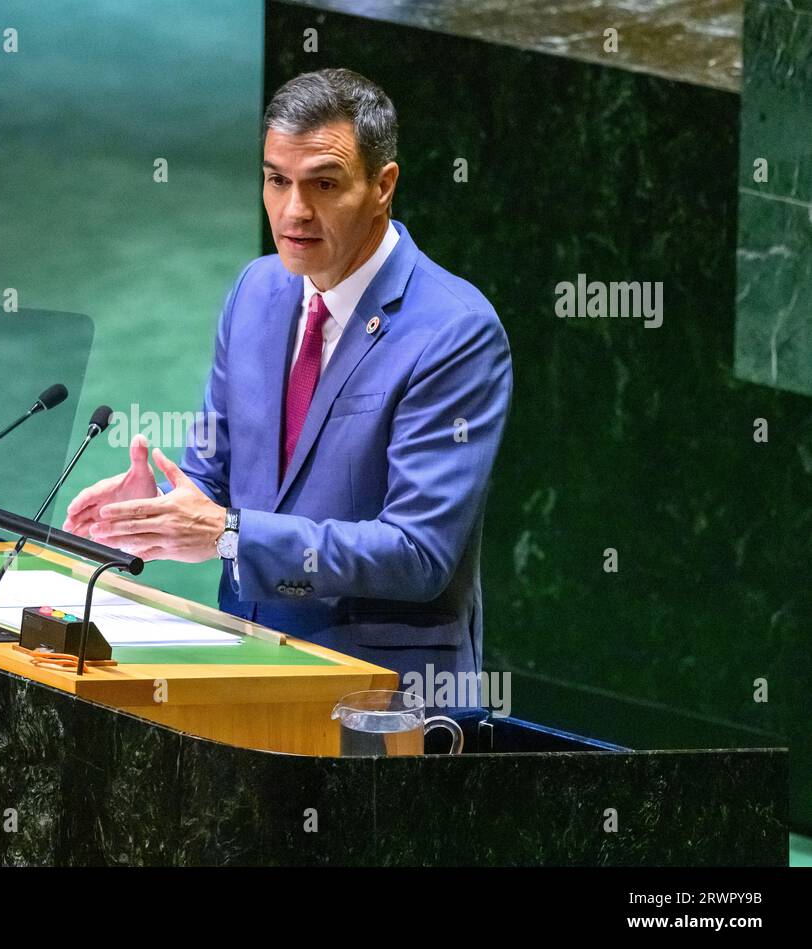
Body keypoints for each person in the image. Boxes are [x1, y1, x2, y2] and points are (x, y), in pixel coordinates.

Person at [63, 68, 513, 705]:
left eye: (324, 184)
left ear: (383, 185)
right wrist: (159, 508)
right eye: (277, 180)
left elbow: (418, 553)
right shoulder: (255, 292)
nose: (294, 210)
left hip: (386, 700)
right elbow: (215, 482)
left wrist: (228, 535)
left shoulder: (454, 332)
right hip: (245, 668)